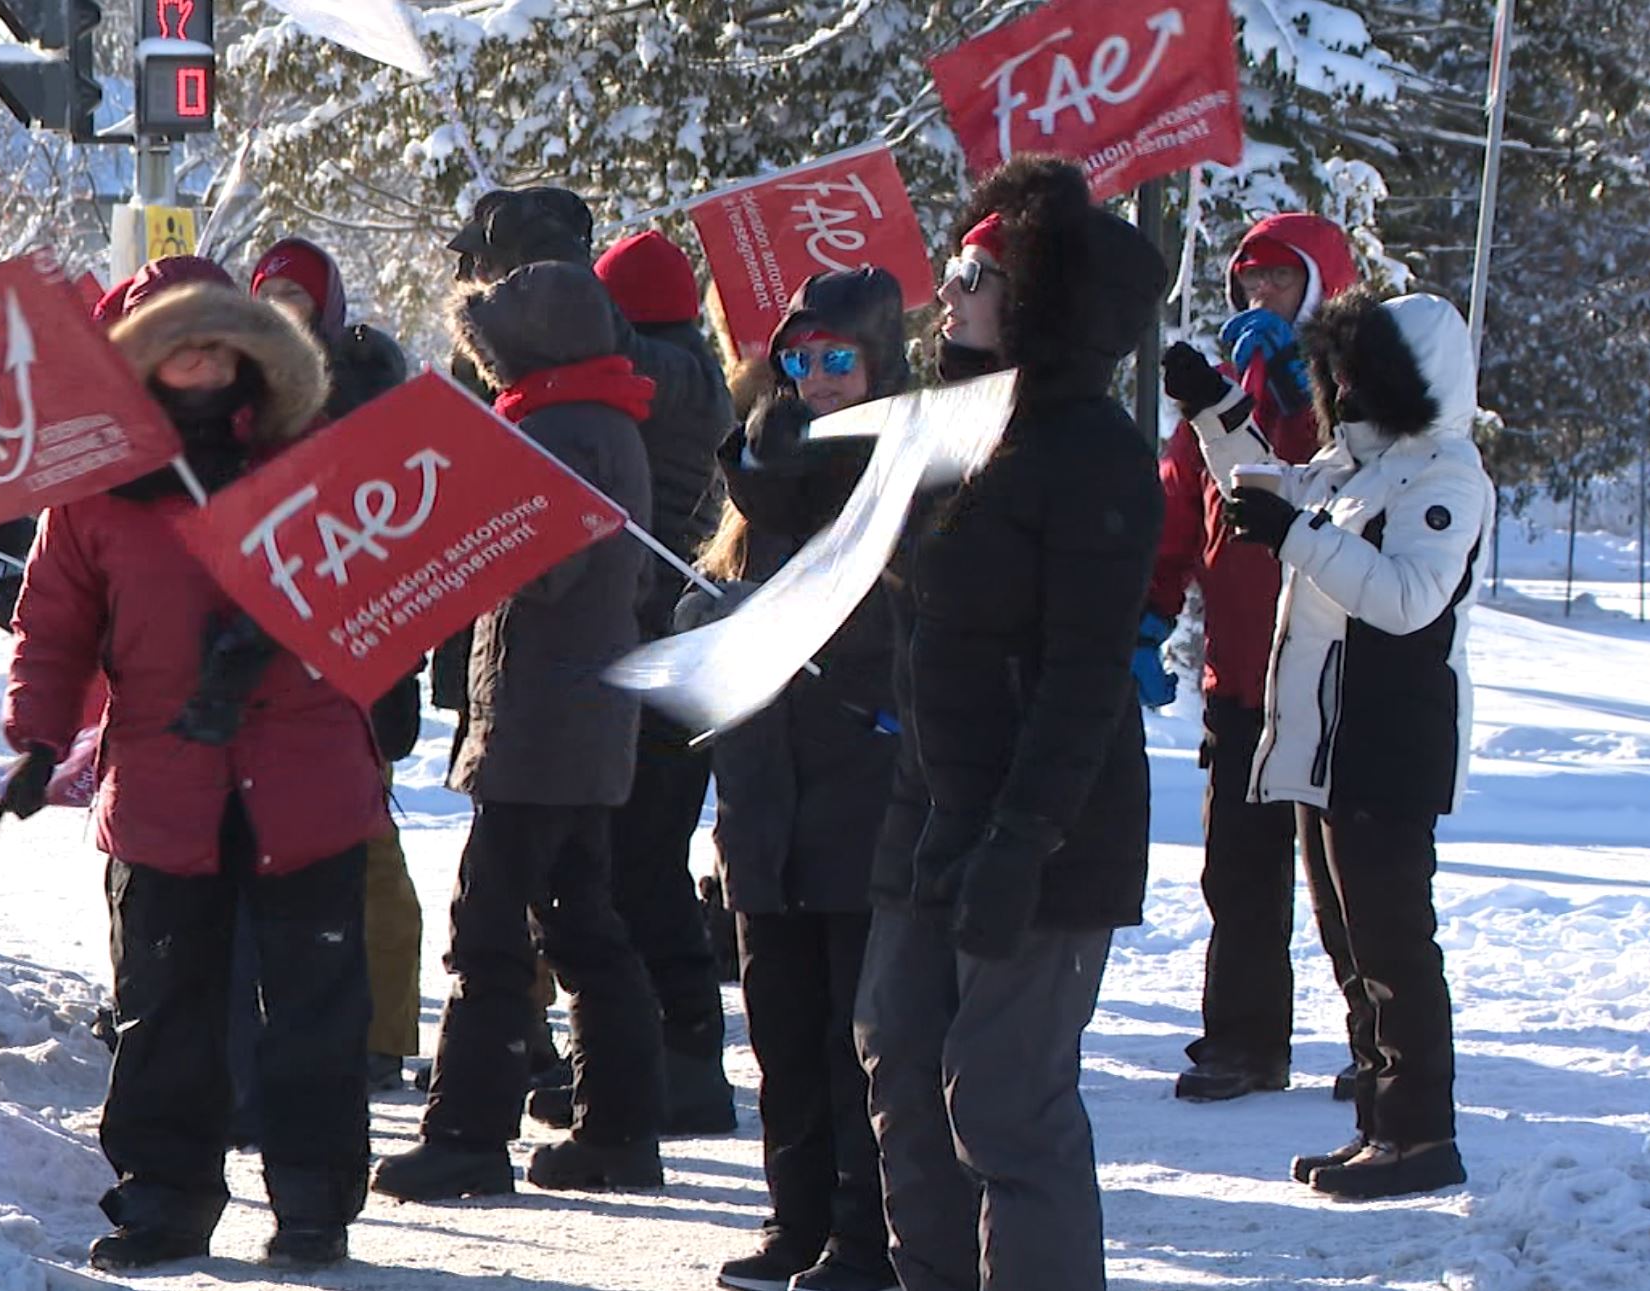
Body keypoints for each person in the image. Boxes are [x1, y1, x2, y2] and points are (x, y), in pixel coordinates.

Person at [0, 274, 384, 1270]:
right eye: (180, 347)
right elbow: (54, 627)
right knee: (165, 1010)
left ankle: (313, 1200)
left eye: (220, 345)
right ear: (136, 358)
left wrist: (283, 640)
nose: (202, 364)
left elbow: (377, 585)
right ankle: (163, 1199)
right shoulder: (91, 491)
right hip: (164, 786)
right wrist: (38, 739)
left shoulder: (312, 458)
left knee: (313, 1011)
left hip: (305, 780)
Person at [855, 156, 1167, 1291]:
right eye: (951, 266)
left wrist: (1020, 841)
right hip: (929, 806)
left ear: (1038, 296)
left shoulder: (1093, 454)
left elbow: (1085, 677)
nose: (950, 289)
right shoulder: (955, 428)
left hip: (1042, 828)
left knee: (1001, 1098)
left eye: (976, 273)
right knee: (899, 1063)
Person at [1161, 285, 1492, 1200]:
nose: (1344, 391)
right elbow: (1267, 491)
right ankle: (1382, 1125)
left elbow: (1404, 597)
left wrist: (1296, 533)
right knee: (1355, 939)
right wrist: (1215, 413)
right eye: (1337, 372)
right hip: (1329, 742)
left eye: (1362, 374)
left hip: (1389, 742)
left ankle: (1421, 1134)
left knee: (1392, 947)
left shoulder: (1446, 476)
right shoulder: (1355, 466)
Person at [371, 261, 665, 1201]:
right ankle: (620, 1129)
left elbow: (540, 570)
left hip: (544, 722)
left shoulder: (557, 428)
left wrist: (465, 501)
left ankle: (467, 1133)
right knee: (583, 926)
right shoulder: (595, 417)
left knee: (490, 930)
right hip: (576, 718)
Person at [445, 201, 739, 1136]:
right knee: (612, 889)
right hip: (644, 654)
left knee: (599, 891)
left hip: (596, 669)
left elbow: (539, 559)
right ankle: (643, 1087)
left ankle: (638, 1077)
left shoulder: (602, 406)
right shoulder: (673, 386)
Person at [693, 268, 905, 1291]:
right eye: (798, 358)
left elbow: (909, 625)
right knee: (780, 1032)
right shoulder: (762, 470)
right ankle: (799, 1218)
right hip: (764, 796)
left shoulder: (904, 470)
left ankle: (863, 1238)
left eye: (838, 359)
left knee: (849, 1038)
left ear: (878, 363)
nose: (816, 378)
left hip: (861, 783)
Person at [1151, 214, 1364, 1104]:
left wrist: (1306, 387)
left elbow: (1353, 486)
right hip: (1240, 675)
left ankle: (1382, 1040)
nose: (1260, 296)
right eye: (1249, 282)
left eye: (1281, 279)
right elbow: (1176, 513)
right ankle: (1244, 1040)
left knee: (1350, 884)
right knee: (1236, 871)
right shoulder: (1213, 396)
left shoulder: (1360, 388)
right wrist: (1147, 614)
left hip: (1338, 674)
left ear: (1321, 285)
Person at [247, 236, 428, 1093]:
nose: (283, 315)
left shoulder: (364, 396)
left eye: (297, 299)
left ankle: (383, 1032)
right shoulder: (244, 397)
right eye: (267, 299)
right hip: (263, 658)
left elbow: (392, 539)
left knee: (370, 856)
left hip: (354, 650)